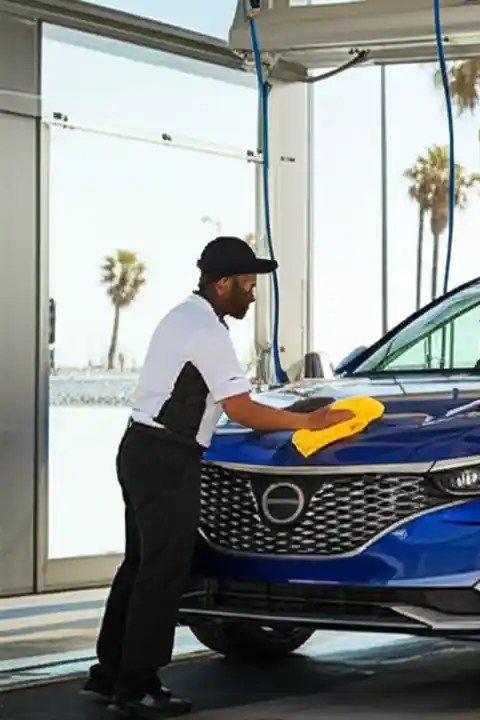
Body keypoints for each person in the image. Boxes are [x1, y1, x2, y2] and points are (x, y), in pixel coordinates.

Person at [81, 236, 354, 718]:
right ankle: (137, 687)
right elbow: (241, 409)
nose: (252, 293)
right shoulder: (207, 329)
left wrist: (286, 413)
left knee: (139, 567)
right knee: (162, 573)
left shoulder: (183, 316)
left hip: (141, 448)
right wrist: (310, 423)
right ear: (222, 282)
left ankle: (108, 676)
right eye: (247, 284)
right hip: (167, 459)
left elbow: (225, 401)